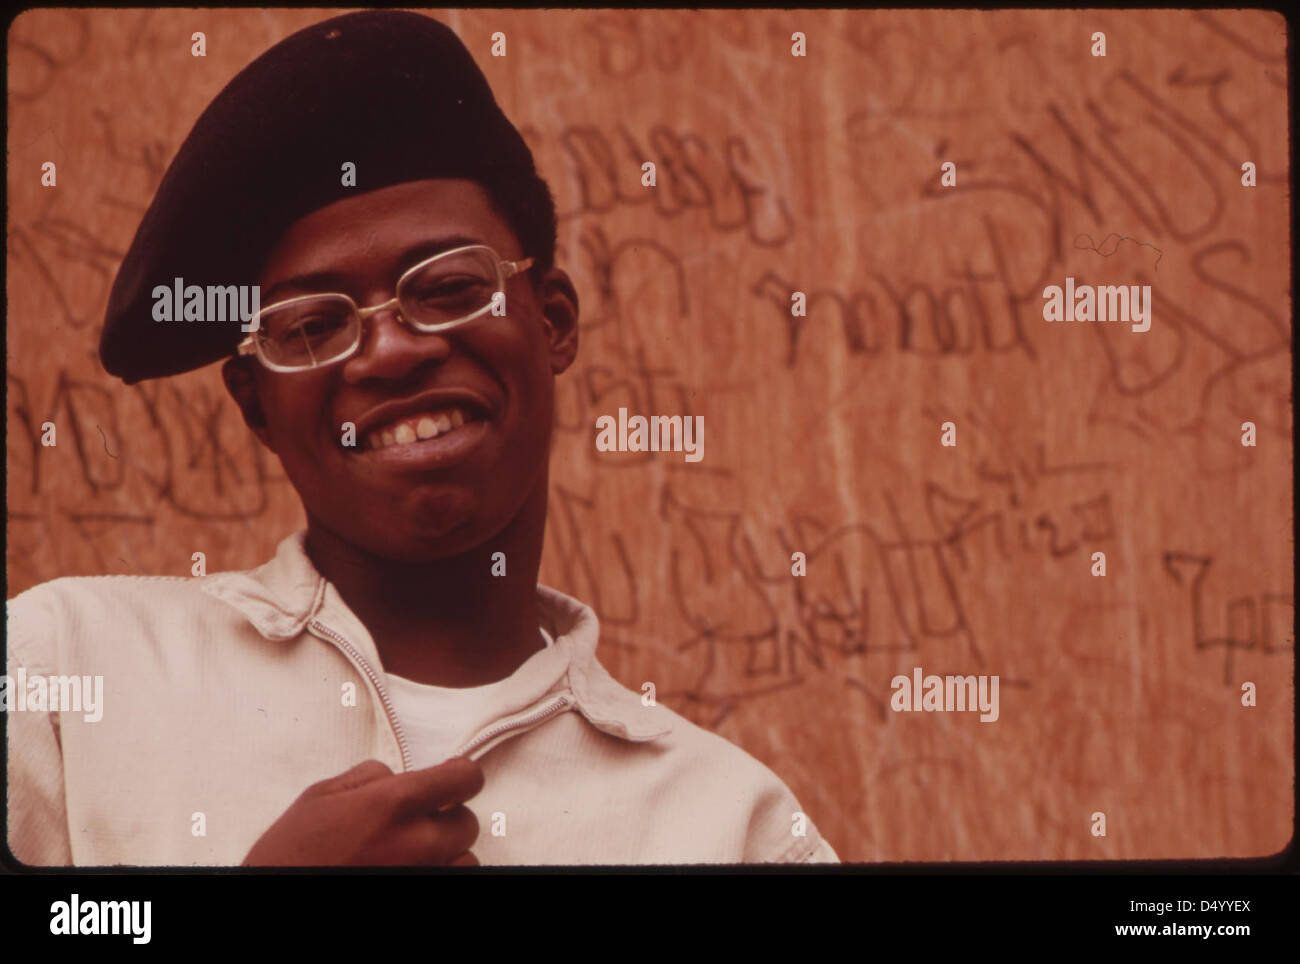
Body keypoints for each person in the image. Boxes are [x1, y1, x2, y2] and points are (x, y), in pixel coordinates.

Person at [6, 10, 838, 866]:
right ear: (256, 407)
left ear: (550, 321)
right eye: (312, 325)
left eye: (446, 287)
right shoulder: (63, 677)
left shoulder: (735, 829)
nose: (395, 348)